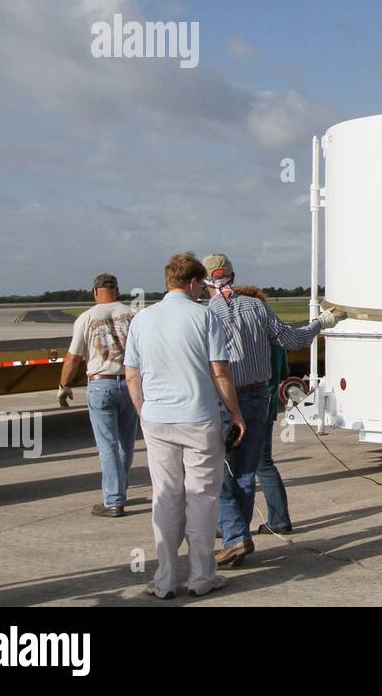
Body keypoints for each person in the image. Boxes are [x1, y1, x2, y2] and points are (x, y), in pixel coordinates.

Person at [200, 254, 340, 567]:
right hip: (258, 395)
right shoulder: (257, 306)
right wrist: (321, 322)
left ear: (203, 282)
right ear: (233, 276)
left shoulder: (205, 314)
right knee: (248, 471)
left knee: (217, 470)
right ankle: (240, 536)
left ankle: (233, 534)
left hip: (224, 396)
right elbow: (292, 340)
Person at [123, 253, 246, 599]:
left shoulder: (142, 319)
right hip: (198, 417)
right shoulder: (205, 317)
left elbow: (132, 374)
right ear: (192, 283)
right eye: (201, 285)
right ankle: (201, 576)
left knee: (166, 496)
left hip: (157, 419)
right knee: (202, 498)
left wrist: (144, 410)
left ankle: (164, 579)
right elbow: (219, 371)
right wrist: (235, 413)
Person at [59, 273, 137, 517]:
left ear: (95, 291)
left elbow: (73, 357)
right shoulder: (133, 315)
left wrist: (64, 385)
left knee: (107, 445)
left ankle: (113, 500)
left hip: (101, 384)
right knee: (126, 443)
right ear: (117, 290)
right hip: (130, 383)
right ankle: (119, 489)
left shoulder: (86, 318)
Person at [230, 286, 293, 535]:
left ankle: (233, 524)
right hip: (267, 403)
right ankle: (279, 518)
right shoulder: (274, 336)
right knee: (264, 463)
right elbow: (285, 374)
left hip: (246, 401)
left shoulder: (245, 335)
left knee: (236, 466)